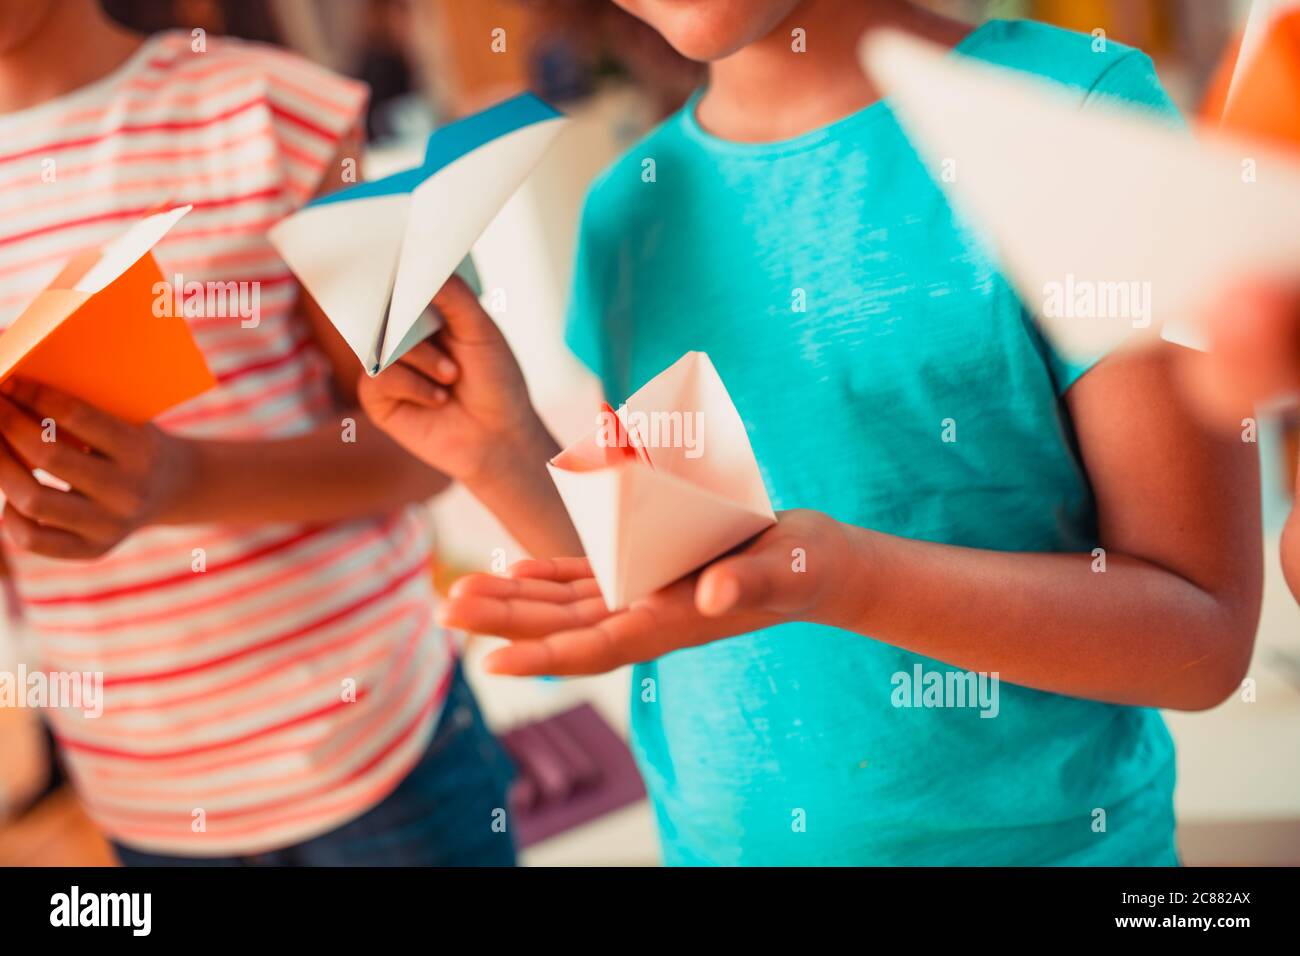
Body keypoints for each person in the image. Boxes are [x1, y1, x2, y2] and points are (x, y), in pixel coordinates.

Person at [361, 0, 1265, 866]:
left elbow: (1203, 641)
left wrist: (837, 578)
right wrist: (500, 450)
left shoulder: (1072, 120)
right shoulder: (628, 210)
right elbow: (685, 584)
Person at [0, 0, 513, 865]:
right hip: (138, 791)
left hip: (373, 747)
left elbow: (432, 442)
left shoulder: (276, 115)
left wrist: (182, 481)